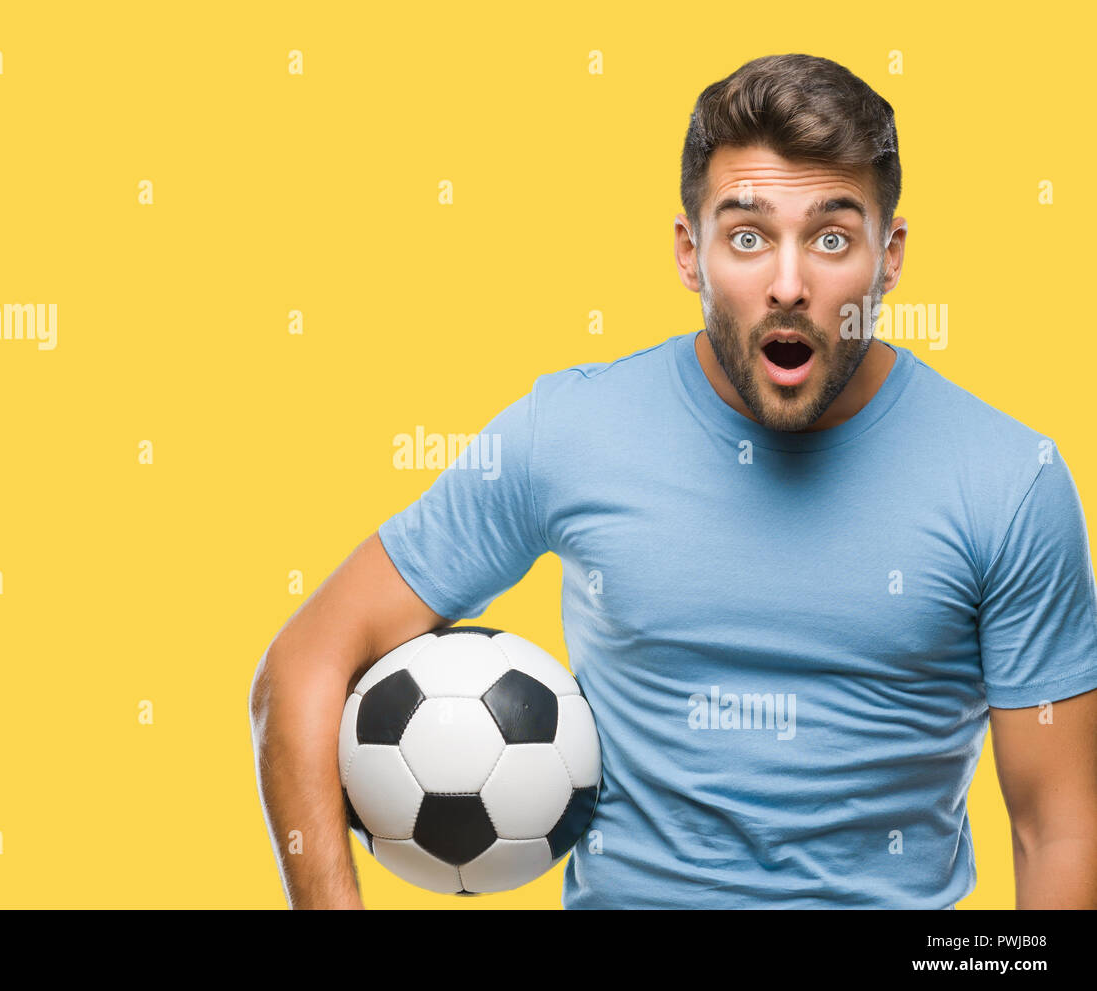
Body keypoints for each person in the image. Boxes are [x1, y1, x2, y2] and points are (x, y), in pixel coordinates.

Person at [250, 53, 1097, 909]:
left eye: (833, 237)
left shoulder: (1008, 481)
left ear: (892, 254)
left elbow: (1057, 825)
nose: (790, 285)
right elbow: (304, 665)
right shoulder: (572, 432)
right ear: (690, 255)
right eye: (748, 236)